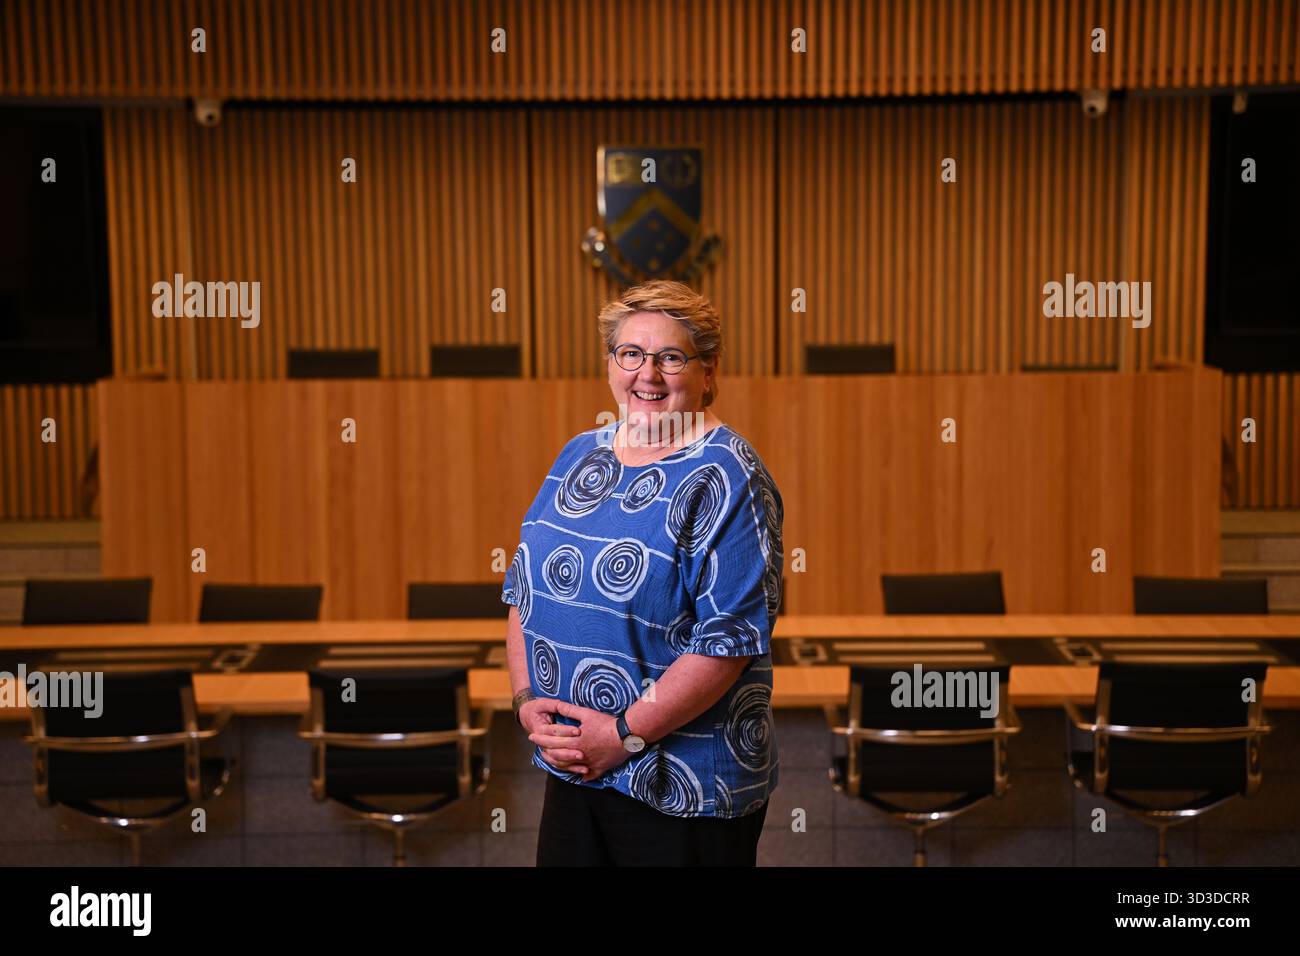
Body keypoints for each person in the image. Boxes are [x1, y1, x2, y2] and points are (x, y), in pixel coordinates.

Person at [501, 278, 784, 866]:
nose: (646, 374)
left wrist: (621, 735)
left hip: (683, 785)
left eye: (671, 356)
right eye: (630, 353)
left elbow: (727, 645)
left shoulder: (729, 478)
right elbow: (522, 594)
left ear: (708, 372)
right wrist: (527, 698)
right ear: (611, 364)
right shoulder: (579, 455)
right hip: (577, 769)